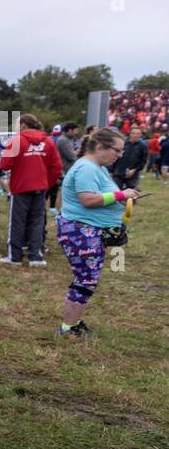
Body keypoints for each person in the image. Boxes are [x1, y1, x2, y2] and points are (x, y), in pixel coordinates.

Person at [56, 128, 138, 337]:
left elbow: (103, 194)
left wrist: (122, 198)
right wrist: (121, 194)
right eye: (116, 150)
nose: (119, 155)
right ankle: (68, 327)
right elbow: (88, 199)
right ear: (100, 147)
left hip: (87, 230)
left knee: (87, 277)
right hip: (80, 230)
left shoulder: (96, 167)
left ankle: (73, 323)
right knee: (86, 278)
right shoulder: (87, 168)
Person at [0, 113, 62, 266]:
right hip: (40, 187)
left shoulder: (16, 140)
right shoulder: (48, 141)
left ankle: (15, 257)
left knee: (17, 222)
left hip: (20, 187)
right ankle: (35, 256)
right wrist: (46, 182)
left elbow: (4, 165)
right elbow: (57, 167)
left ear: (23, 125)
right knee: (37, 221)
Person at [111, 126, 148, 191]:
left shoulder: (143, 146)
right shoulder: (123, 143)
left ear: (141, 135)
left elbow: (143, 161)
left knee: (131, 194)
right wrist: (111, 170)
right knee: (115, 191)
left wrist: (134, 170)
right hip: (118, 171)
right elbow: (114, 157)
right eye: (133, 133)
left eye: (138, 134)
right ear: (130, 134)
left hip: (133, 174)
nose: (135, 135)